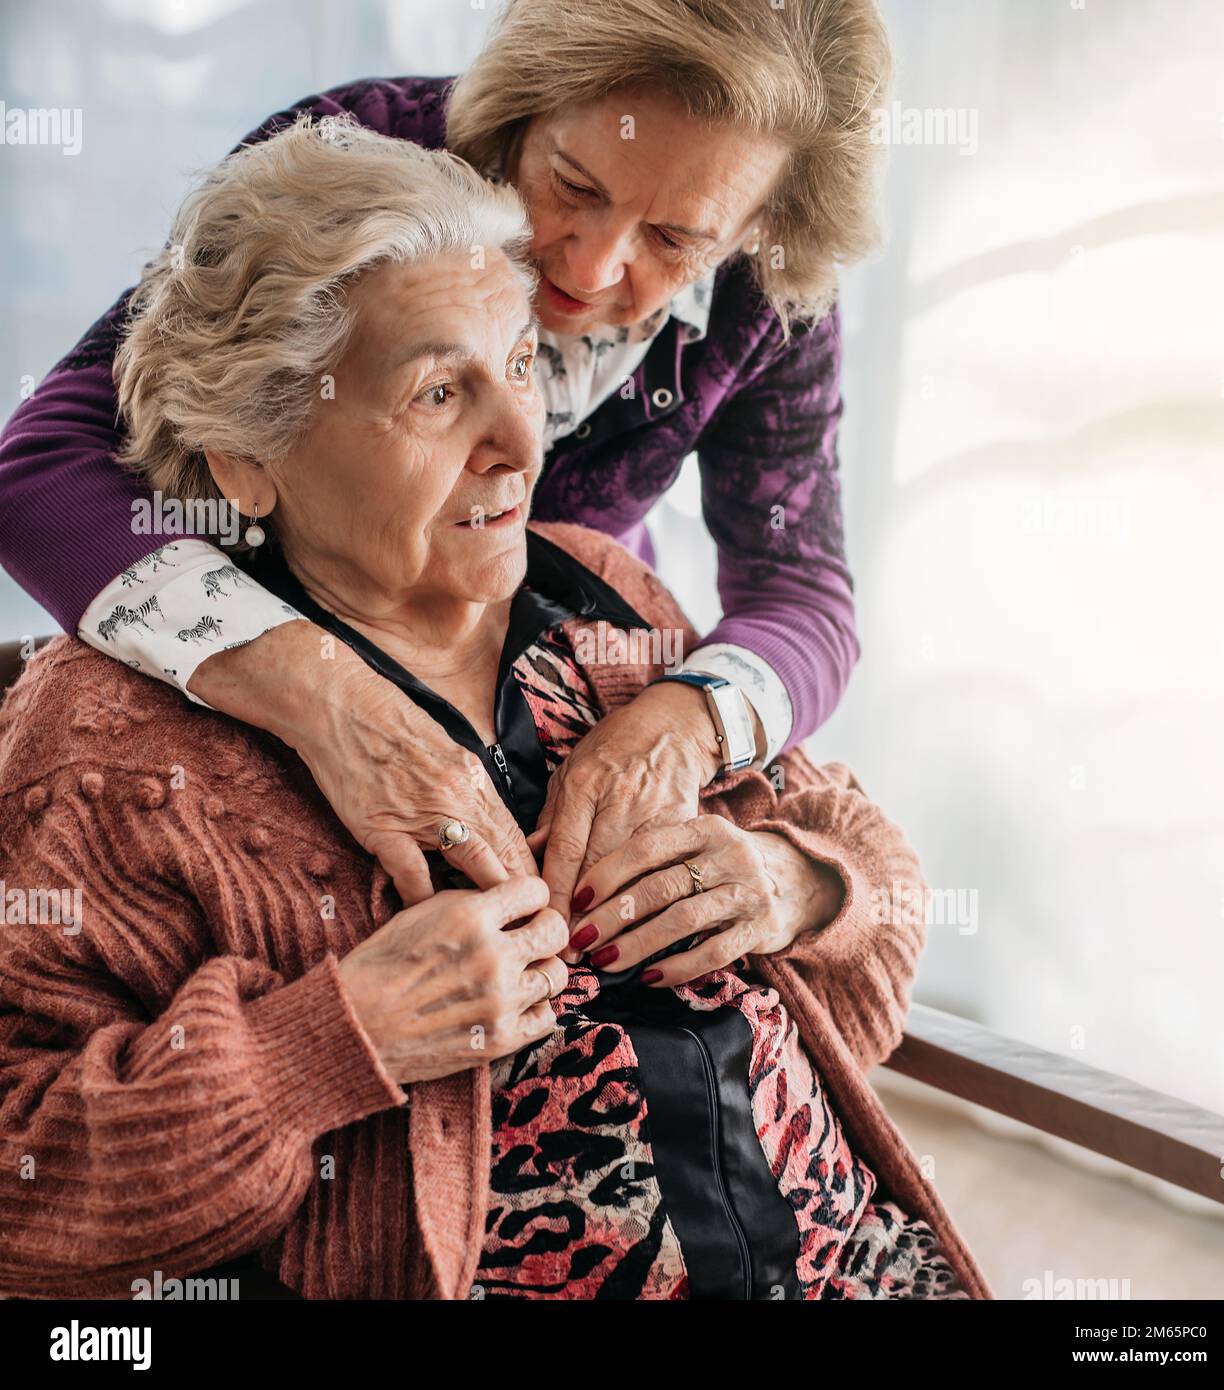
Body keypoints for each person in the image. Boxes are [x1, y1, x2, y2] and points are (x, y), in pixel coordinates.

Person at [0, 119, 989, 1300]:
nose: (524, 444)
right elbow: (28, 1186)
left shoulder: (603, 592)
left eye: (523, 365)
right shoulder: (112, 748)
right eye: (436, 393)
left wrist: (795, 883)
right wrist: (325, 1043)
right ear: (244, 456)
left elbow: (874, 881)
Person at [0, 0, 890, 925]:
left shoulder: (765, 296)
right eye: (574, 185)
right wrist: (324, 693)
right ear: (526, 102)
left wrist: (681, 728)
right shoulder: (356, 165)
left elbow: (801, 591)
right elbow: (39, 471)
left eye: (674, 241)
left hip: (551, 691)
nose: (588, 270)